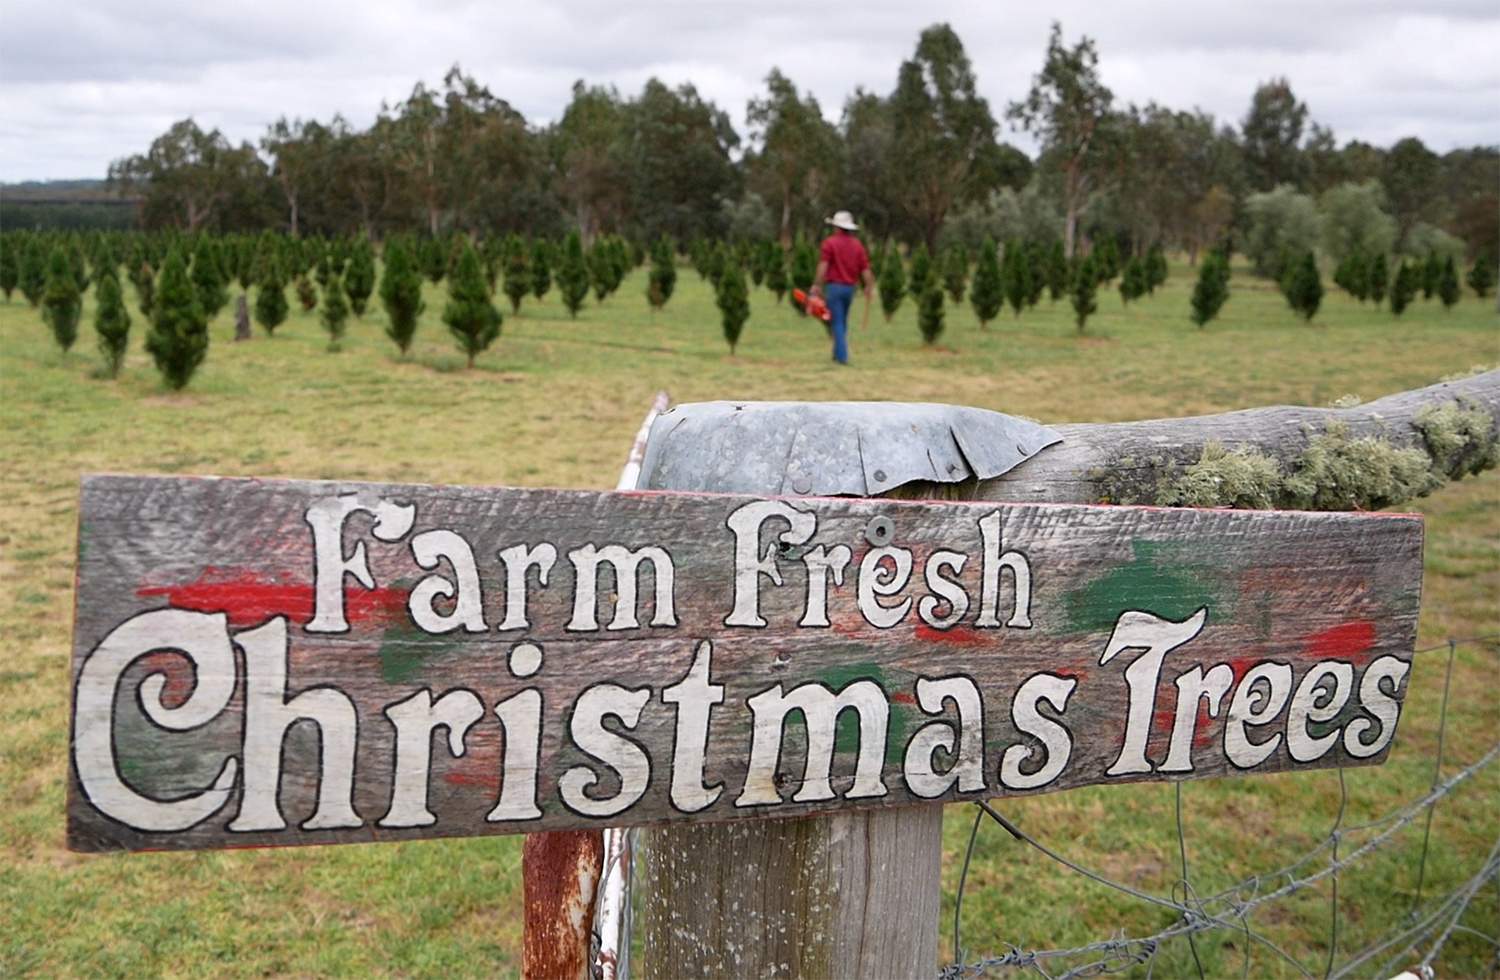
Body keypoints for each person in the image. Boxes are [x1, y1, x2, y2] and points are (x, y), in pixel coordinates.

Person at [808, 210, 874, 365]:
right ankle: (837, 353)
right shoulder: (857, 245)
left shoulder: (829, 243)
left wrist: (817, 285)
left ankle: (842, 357)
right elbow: (865, 269)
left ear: (837, 227)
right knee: (842, 321)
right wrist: (869, 286)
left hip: (834, 287)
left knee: (836, 322)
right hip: (850, 289)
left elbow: (823, 265)